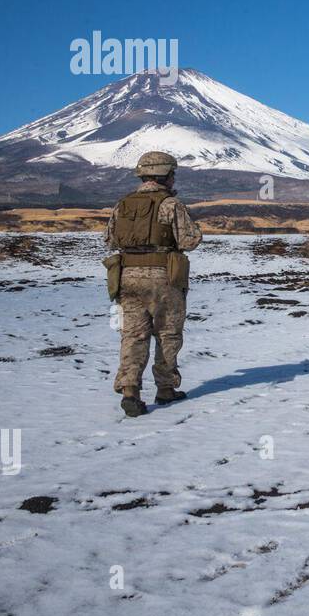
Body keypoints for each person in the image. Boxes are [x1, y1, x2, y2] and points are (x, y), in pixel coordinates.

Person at [104, 151, 202, 418]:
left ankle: (129, 390)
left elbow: (109, 239)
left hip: (126, 276)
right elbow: (189, 241)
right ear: (166, 176)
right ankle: (166, 388)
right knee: (168, 334)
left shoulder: (122, 204)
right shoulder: (170, 204)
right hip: (164, 277)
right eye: (173, 175)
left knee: (133, 335)